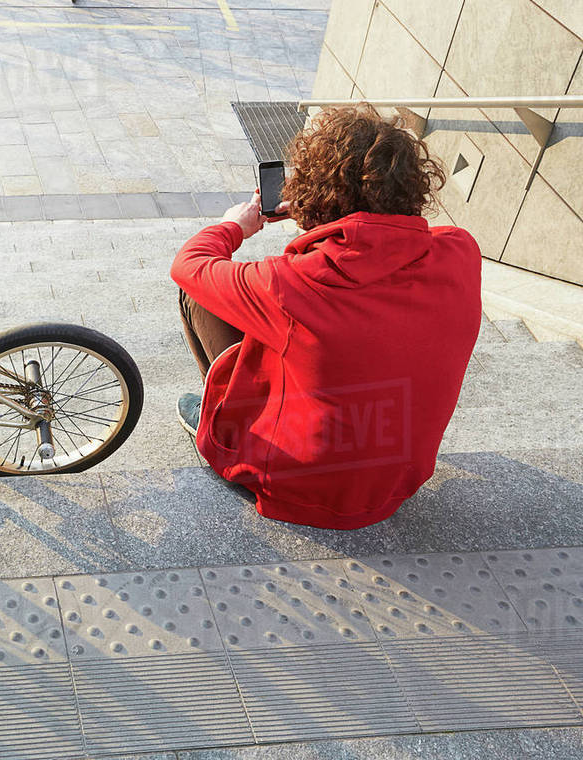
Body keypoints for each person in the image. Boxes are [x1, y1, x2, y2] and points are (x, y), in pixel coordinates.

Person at [170, 105, 482, 530]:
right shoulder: (460, 251)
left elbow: (190, 265)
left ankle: (220, 414)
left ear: (315, 193)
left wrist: (234, 227)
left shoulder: (292, 284)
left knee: (202, 295)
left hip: (299, 488)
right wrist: (326, 220)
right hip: (395, 482)